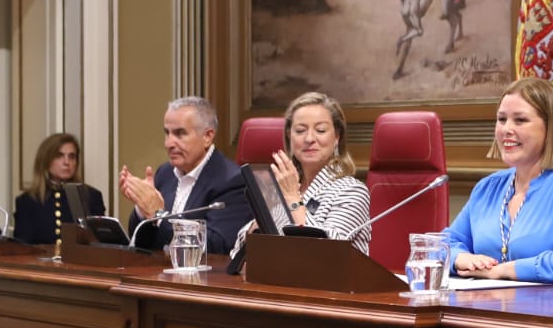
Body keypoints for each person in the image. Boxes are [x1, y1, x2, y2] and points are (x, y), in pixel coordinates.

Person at [447, 76, 553, 282]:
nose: (506, 129)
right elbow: (444, 244)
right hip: (486, 308)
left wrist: (506, 270)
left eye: (520, 120)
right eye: (501, 119)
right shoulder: (488, 187)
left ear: (550, 128)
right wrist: (459, 258)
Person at [232, 91, 371, 256]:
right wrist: (264, 213)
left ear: (337, 137)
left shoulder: (353, 191)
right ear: (289, 137)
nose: (309, 138)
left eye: (320, 130)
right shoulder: (284, 185)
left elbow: (328, 253)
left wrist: (292, 197)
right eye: (300, 130)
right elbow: (237, 252)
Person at [120, 97, 251, 254]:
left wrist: (159, 216)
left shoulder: (232, 181)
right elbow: (143, 243)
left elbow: (218, 246)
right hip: (157, 272)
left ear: (207, 137)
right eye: (167, 133)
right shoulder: (165, 173)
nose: (168, 143)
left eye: (180, 134)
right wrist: (143, 208)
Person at [13, 132, 106, 246]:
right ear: (46, 160)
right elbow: (22, 247)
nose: (67, 162)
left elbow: (100, 245)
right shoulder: (27, 201)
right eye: (59, 156)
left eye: (72, 156)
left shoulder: (91, 196)